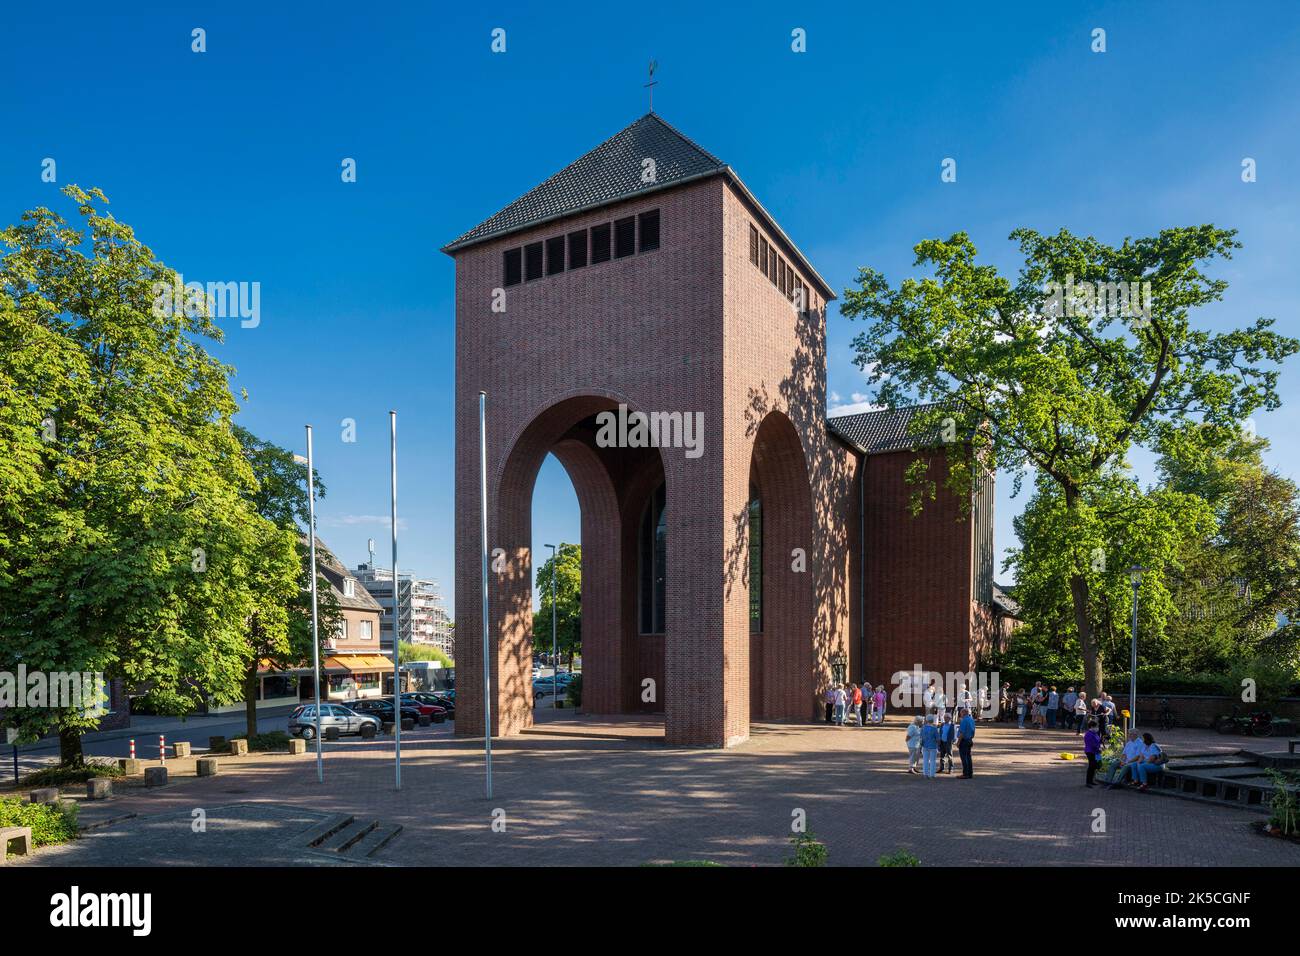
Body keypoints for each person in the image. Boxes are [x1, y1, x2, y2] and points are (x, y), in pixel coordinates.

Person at [957, 708, 976, 778]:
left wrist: (958, 742)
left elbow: (962, 732)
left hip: (964, 740)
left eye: (961, 713)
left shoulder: (964, 720)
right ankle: (970, 773)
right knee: (968, 757)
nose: (960, 714)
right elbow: (973, 731)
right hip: (969, 740)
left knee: (964, 758)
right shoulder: (971, 720)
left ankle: (965, 774)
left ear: (964, 713)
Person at [1083, 719, 1101, 787]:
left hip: (1095, 751)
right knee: (1091, 766)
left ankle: (1091, 781)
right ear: (1092, 727)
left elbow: (1097, 741)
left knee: (1093, 767)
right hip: (1090, 751)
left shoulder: (1094, 733)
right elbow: (1091, 744)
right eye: (1096, 727)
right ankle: (1088, 782)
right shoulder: (1088, 734)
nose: (1097, 728)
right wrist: (1098, 749)